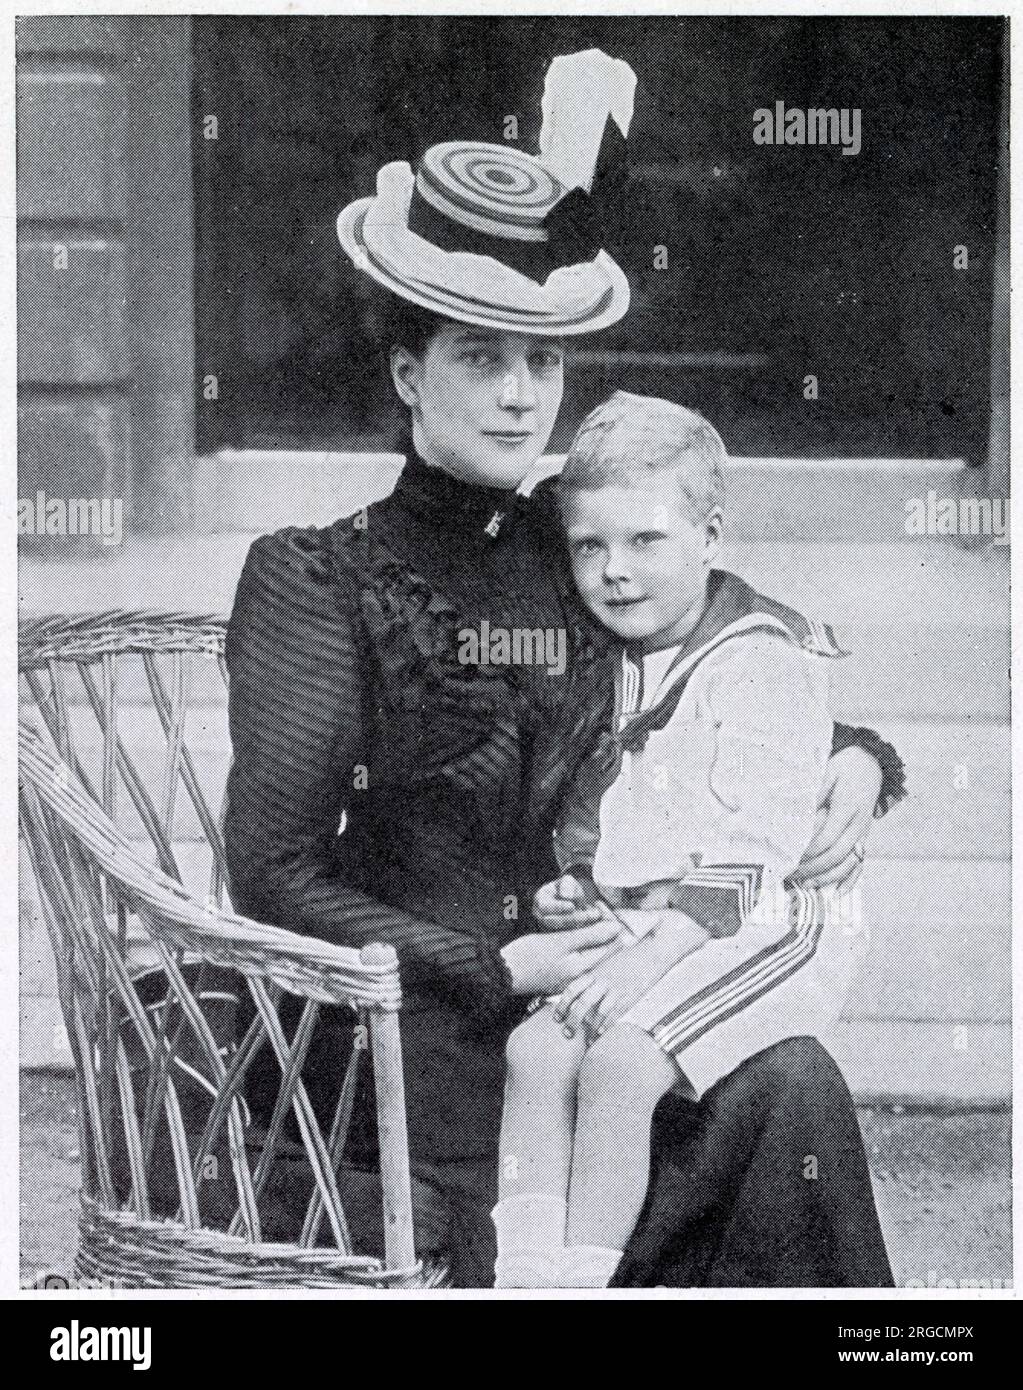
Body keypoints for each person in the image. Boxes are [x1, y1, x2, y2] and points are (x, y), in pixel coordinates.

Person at [223, 50, 904, 1287]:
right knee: (633, 1087)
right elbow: (271, 871)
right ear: (405, 372)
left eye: (542, 363)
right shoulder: (318, 577)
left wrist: (862, 758)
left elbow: (732, 681)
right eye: (480, 357)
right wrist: (493, 962)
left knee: (791, 1082)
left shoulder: (581, 545)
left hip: (609, 1012)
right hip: (417, 1038)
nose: (518, 396)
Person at [494, 392, 871, 1288]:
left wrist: (635, 963)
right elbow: (620, 807)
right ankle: (523, 1280)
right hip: (661, 918)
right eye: (590, 546)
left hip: (766, 919)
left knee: (622, 1064)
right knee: (536, 1050)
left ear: (709, 535)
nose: (613, 572)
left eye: (645, 541)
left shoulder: (759, 659)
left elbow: (753, 852)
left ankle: (581, 1284)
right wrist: (579, 884)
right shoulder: (615, 652)